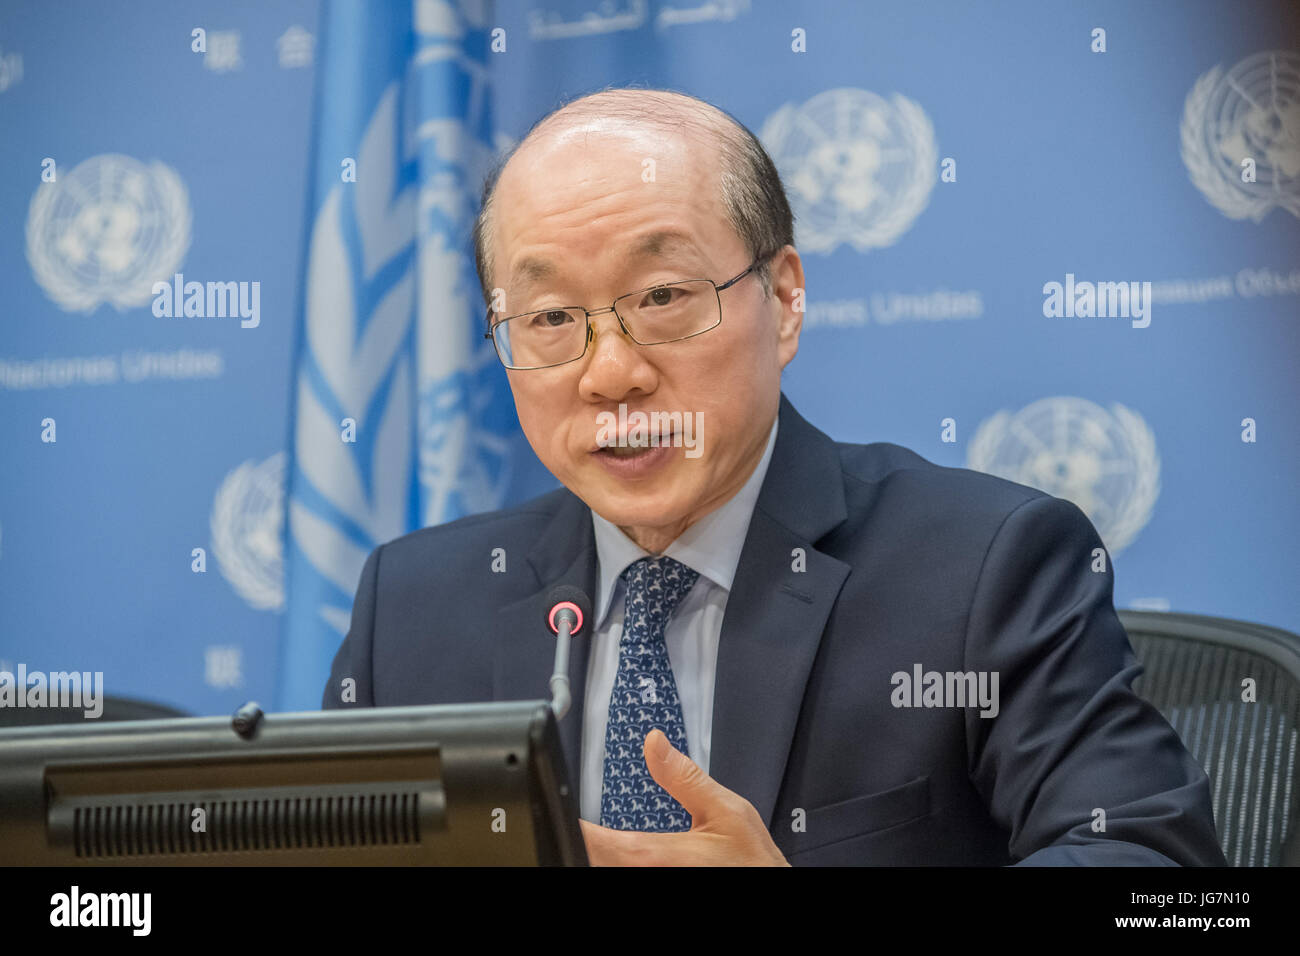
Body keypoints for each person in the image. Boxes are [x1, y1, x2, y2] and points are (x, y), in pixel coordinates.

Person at [323, 87, 1225, 867]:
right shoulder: (412, 608)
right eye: (552, 316)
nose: (608, 374)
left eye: (663, 298)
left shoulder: (984, 571)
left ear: (784, 298)